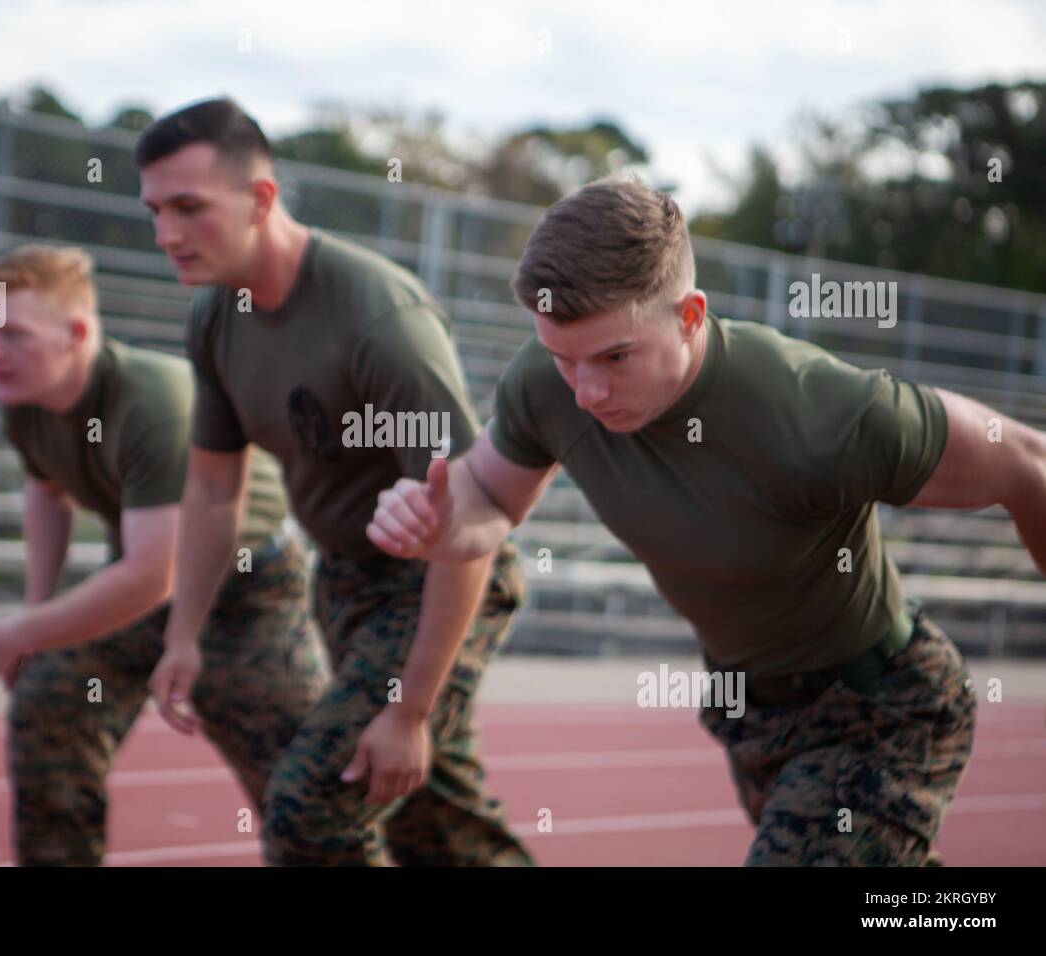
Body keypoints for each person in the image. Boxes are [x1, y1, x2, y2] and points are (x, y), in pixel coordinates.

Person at [367, 176, 1046, 865]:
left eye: (615, 357)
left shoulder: (819, 413)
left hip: (881, 707)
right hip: (751, 714)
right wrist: (444, 525)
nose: (587, 391)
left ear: (690, 316)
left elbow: (1028, 463)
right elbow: (489, 496)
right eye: (562, 357)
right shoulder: (547, 385)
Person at [138, 98, 534, 866]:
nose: (165, 235)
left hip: (439, 577)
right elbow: (216, 493)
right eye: (154, 211)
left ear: (261, 198)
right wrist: (183, 633)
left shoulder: (382, 321)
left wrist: (413, 708)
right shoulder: (216, 316)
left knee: (311, 810)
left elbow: (472, 521)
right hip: (347, 582)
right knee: (437, 824)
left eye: (189, 207)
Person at [0, 244, 327, 865]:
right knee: (51, 703)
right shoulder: (24, 399)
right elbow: (47, 494)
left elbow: (151, 577)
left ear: (76, 333)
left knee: (303, 781)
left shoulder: (152, 401)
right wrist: (35, 619)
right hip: (141, 573)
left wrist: (14, 632)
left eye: (12, 334)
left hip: (245, 587)